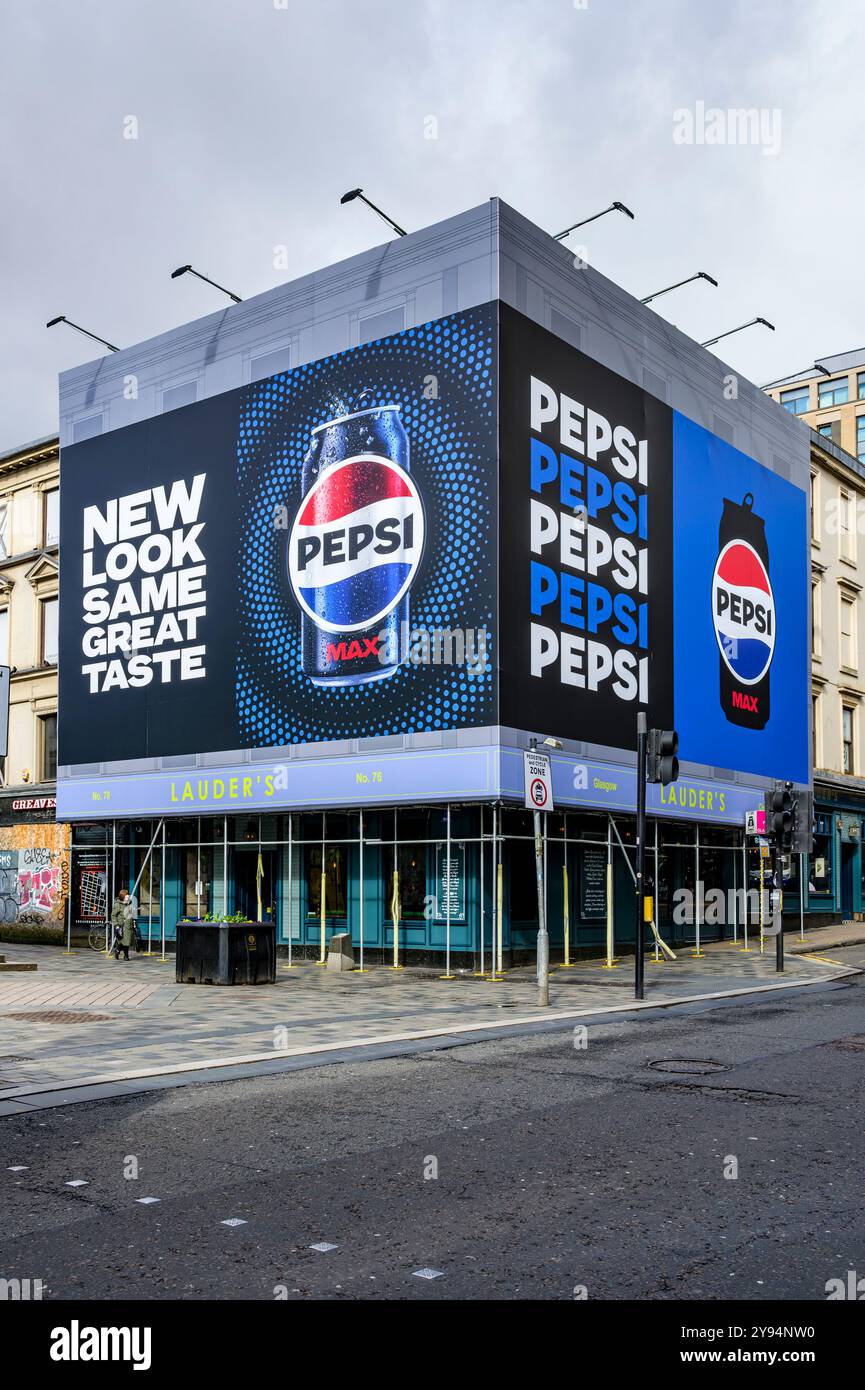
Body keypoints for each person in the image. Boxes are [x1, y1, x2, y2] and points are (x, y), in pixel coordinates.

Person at [111, 888, 135, 962]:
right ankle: (126, 956)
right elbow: (113, 915)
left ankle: (117, 950)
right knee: (125, 941)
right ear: (123, 897)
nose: (128, 896)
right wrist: (116, 925)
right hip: (122, 926)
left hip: (129, 925)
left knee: (126, 941)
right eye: (126, 895)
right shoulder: (118, 905)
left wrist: (133, 922)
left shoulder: (130, 903)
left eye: (128, 895)